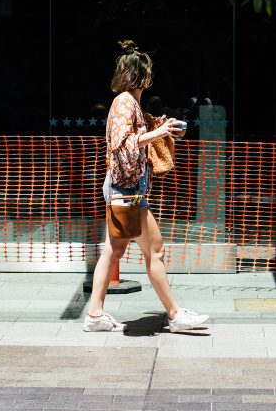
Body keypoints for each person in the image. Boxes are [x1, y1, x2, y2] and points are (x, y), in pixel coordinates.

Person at [84, 41, 209, 333]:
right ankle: (176, 315)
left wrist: (159, 127)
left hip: (125, 190)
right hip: (126, 190)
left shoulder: (128, 103)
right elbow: (122, 143)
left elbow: (130, 138)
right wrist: (159, 132)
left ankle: (94, 316)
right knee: (152, 251)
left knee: (116, 251)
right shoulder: (126, 103)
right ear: (144, 75)